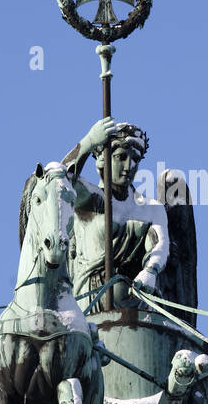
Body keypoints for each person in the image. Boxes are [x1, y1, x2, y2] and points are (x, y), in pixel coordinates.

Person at [61, 117, 168, 311]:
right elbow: (60, 180)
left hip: (138, 301)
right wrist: (88, 142)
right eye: (121, 157)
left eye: (135, 159)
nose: (129, 166)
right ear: (102, 159)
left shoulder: (150, 208)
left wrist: (151, 271)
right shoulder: (90, 199)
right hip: (92, 304)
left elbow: (159, 245)